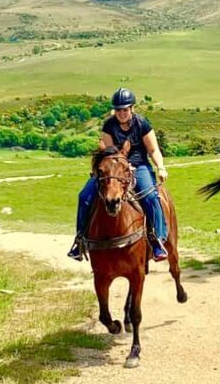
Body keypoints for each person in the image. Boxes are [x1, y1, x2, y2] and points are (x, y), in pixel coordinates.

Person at [68, 88, 170, 261]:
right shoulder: (109, 125)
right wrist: (121, 166)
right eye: (118, 109)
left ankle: (157, 241)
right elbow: (109, 153)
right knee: (84, 196)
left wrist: (160, 167)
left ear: (132, 108)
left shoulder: (142, 123)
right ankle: (80, 240)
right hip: (114, 168)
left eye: (125, 109)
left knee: (151, 198)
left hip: (140, 167)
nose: (122, 113)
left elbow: (153, 149)